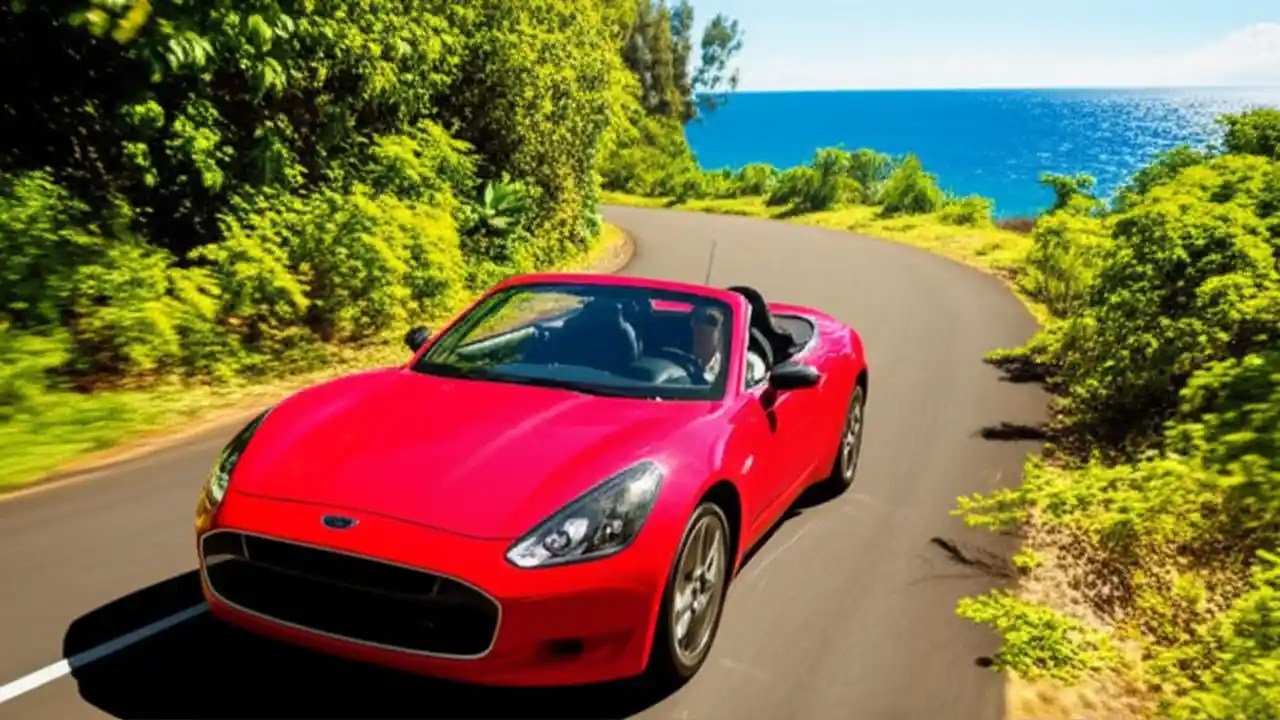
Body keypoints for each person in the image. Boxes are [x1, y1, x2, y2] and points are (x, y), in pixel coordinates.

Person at [689, 305, 724, 383]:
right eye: (697, 321)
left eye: (712, 322)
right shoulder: (683, 361)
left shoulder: (733, 363)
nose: (702, 334)